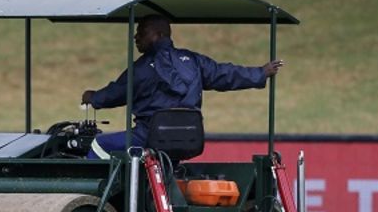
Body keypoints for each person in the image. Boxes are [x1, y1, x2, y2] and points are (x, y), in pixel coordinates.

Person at [81, 15, 284, 159]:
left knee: (98, 145)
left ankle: (101, 200)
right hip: (188, 137)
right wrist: (260, 73)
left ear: (158, 35)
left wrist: (93, 97)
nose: (136, 38)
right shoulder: (193, 61)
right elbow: (225, 74)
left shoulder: (141, 68)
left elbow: (115, 94)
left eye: (141, 33)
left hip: (149, 137)